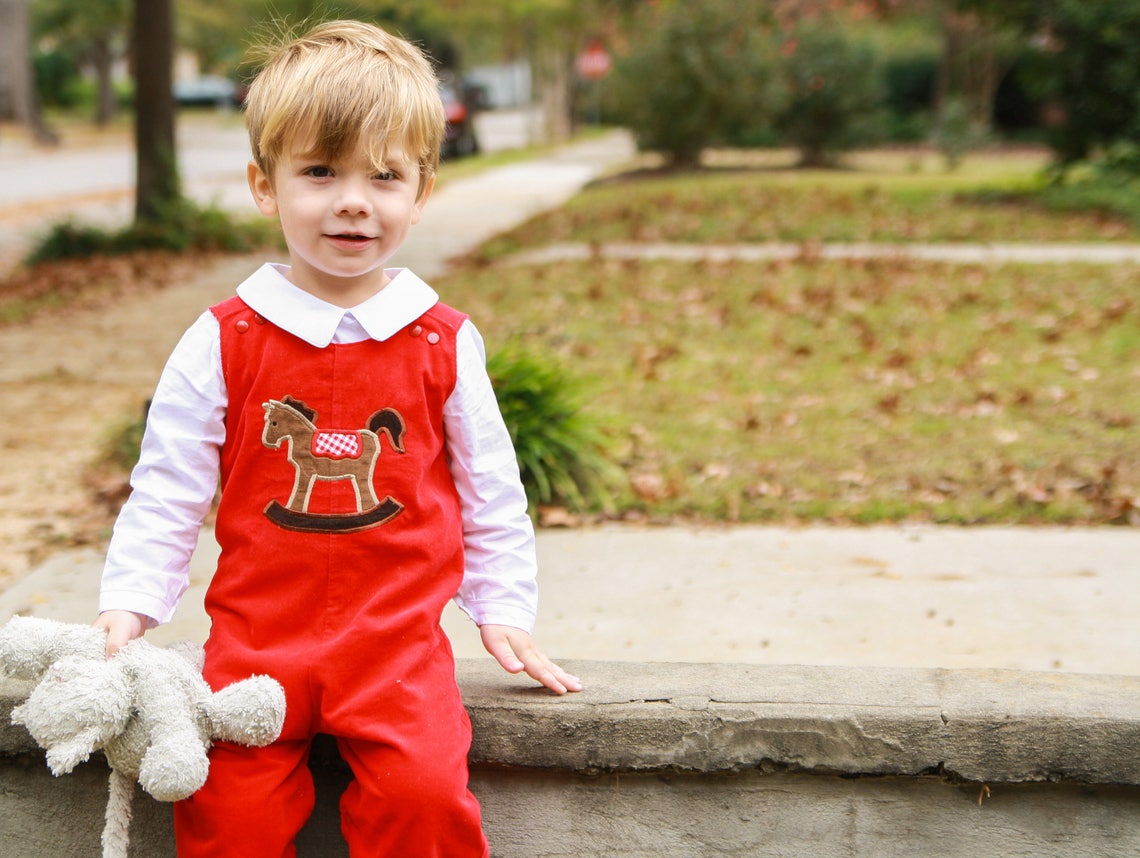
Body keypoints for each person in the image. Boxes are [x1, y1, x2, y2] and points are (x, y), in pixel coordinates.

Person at [94, 19, 581, 857]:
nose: (354, 200)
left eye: (384, 176)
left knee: (425, 803)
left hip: (397, 654)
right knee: (226, 818)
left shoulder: (441, 341)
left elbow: (491, 490)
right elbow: (168, 486)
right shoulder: (223, 339)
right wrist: (129, 602)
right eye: (320, 171)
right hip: (255, 652)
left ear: (420, 192)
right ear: (265, 185)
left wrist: (504, 609)